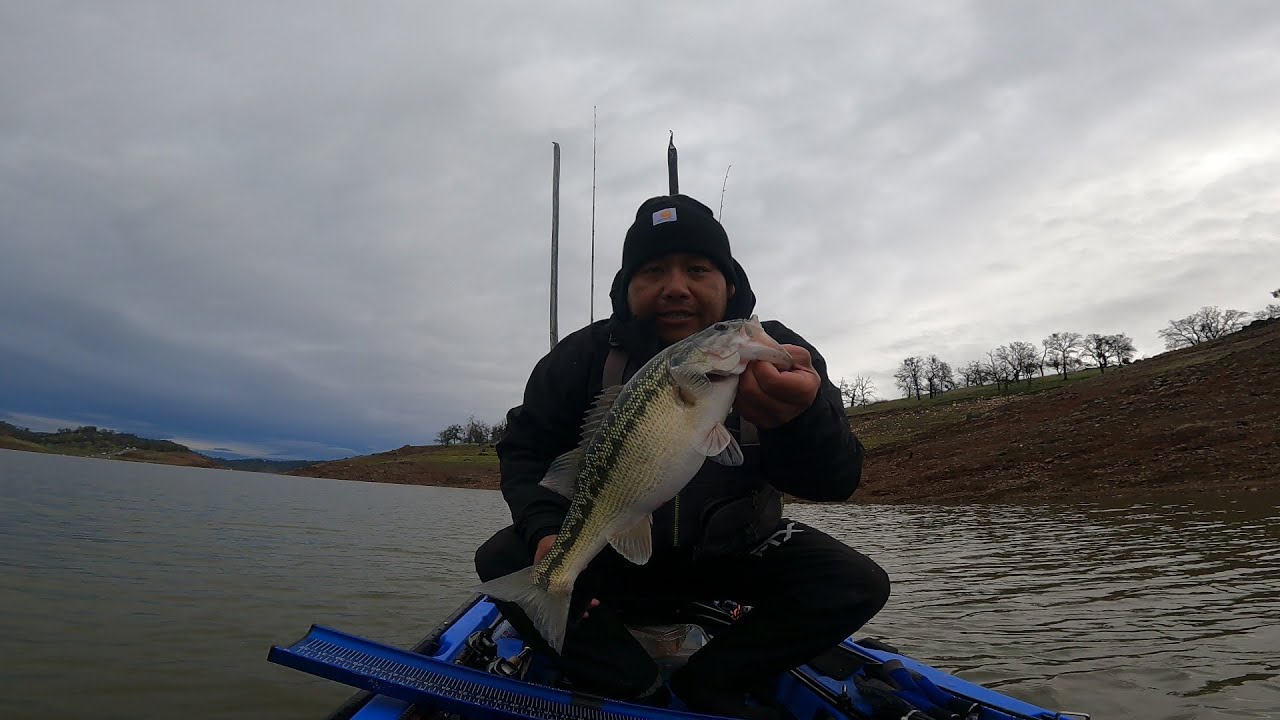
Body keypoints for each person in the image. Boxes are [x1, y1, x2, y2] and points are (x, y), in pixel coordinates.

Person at [475, 194, 890, 720]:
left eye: (697, 268)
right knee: (502, 557)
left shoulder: (783, 356)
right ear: (627, 289)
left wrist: (798, 421)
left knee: (856, 583)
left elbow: (836, 480)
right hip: (611, 555)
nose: (675, 287)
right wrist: (544, 529)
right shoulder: (580, 356)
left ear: (730, 286)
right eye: (652, 270)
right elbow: (527, 452)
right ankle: (634, 687)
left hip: (734, 554)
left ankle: (712, 679)